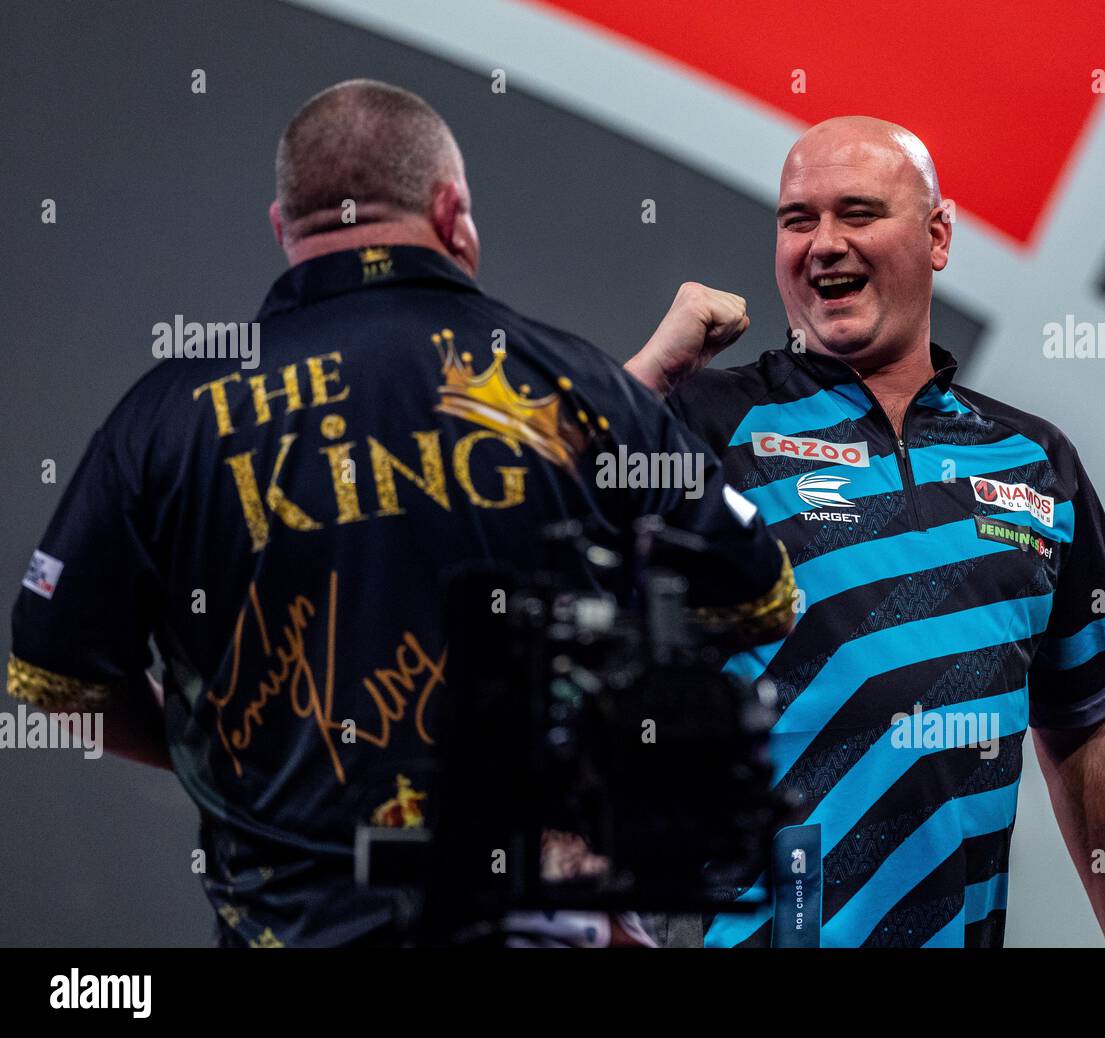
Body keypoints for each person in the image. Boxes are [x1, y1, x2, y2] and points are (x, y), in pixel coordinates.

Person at [7, 79, 794, 948]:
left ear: (284, 228)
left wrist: (221, 763)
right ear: (452, 212)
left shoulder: (165, 415)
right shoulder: (580, 389)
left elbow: (56, 682)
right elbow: (757, 596)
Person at [627, 116, 1105, 947]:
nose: (824, 244)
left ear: (937, 234)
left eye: (858, 213)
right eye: (798, 220)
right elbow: (509, 531)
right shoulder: (705, 421)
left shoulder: (1034, 460)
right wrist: (645, 380)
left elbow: (1093, 724)